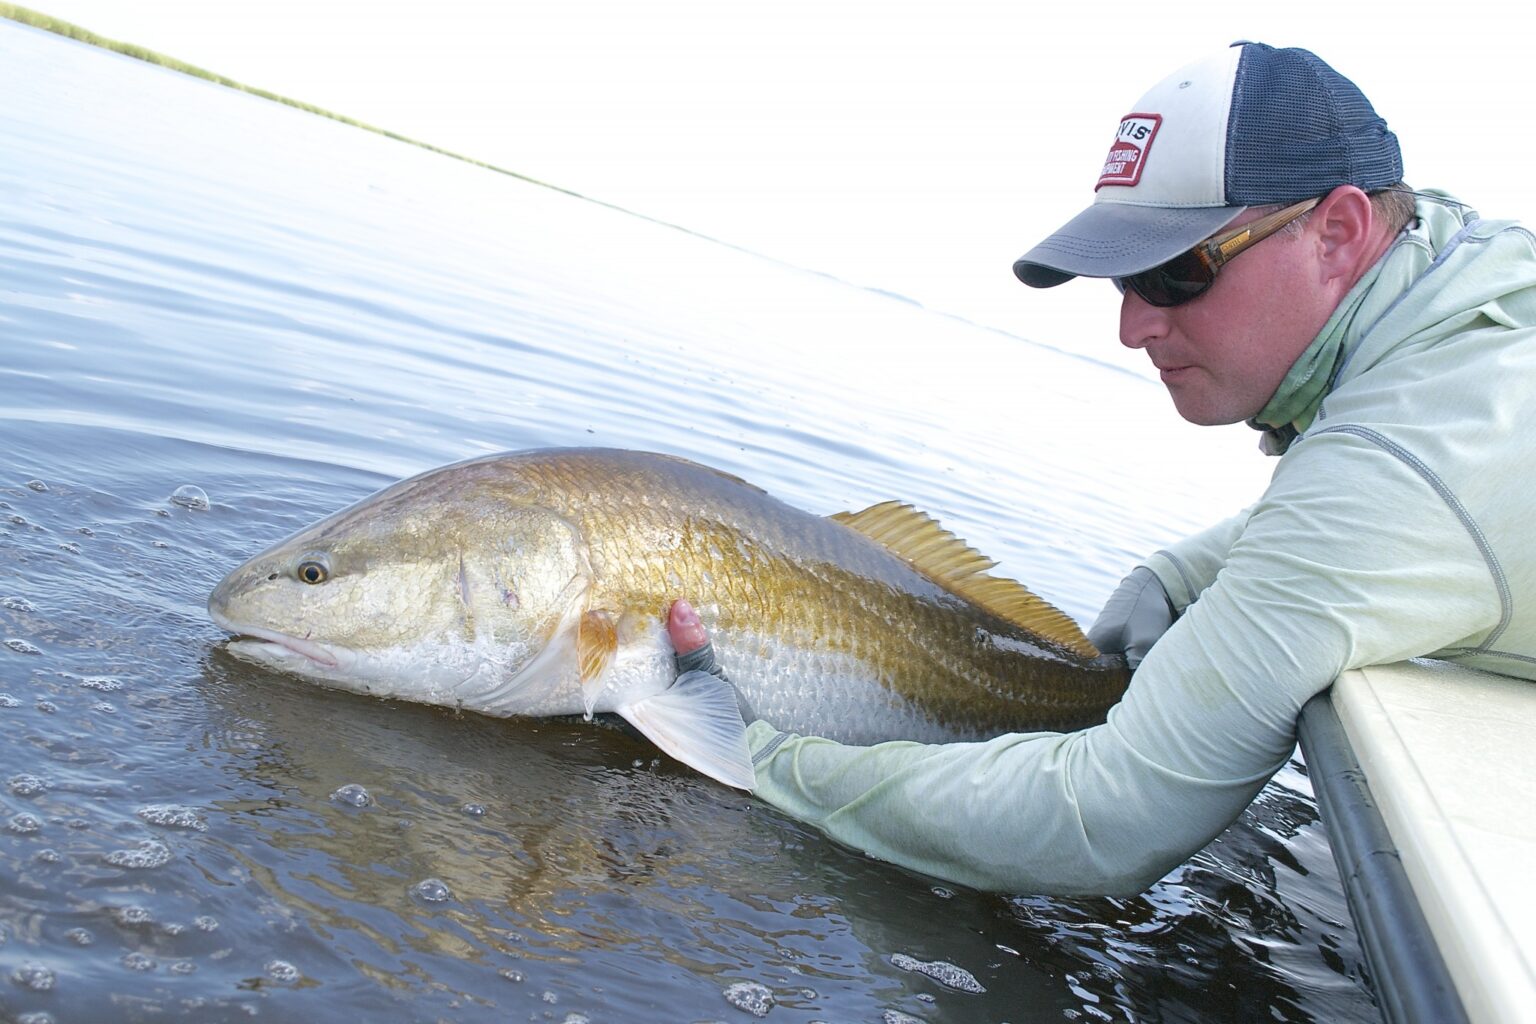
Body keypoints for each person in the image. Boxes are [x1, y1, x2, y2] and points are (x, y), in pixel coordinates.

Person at [669, 41, 1536, 895]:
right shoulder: (1473, 307)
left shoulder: (1411, 457)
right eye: (1122, 281)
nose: (1132, 328)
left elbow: (1101, 819)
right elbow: (1379, 504)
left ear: (1338, 234)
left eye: (1175, 271)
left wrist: (758, 754)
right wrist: (1179, 576)